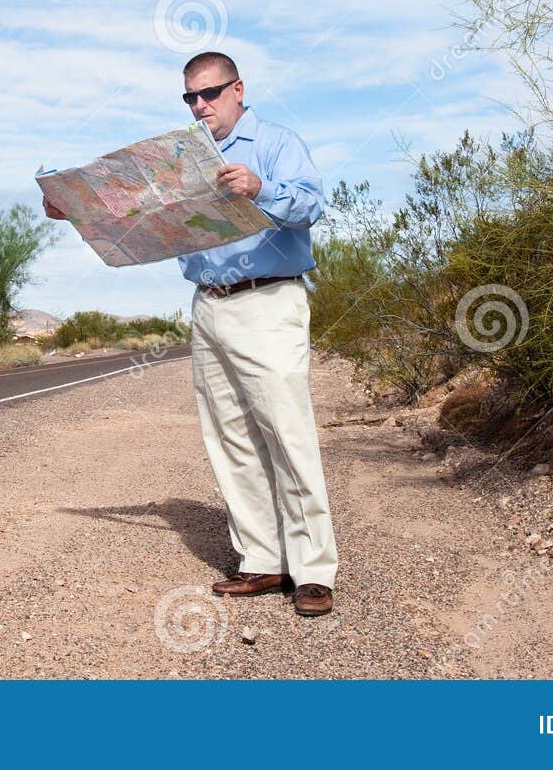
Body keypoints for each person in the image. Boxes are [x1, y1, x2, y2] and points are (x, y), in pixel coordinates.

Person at [43, 51, 337, 616]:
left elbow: (312, 205)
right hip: (209, 305)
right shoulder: (180, 160)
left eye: (210, 93)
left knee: (286, 434)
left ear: (239, 90)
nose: (201, 106)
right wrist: (80, 212)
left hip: (269, 301)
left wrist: (260, 188)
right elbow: (142, 220)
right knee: (229, 438)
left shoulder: (276, 144)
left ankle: (314, 571)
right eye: (191, 98)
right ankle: (262, 560)